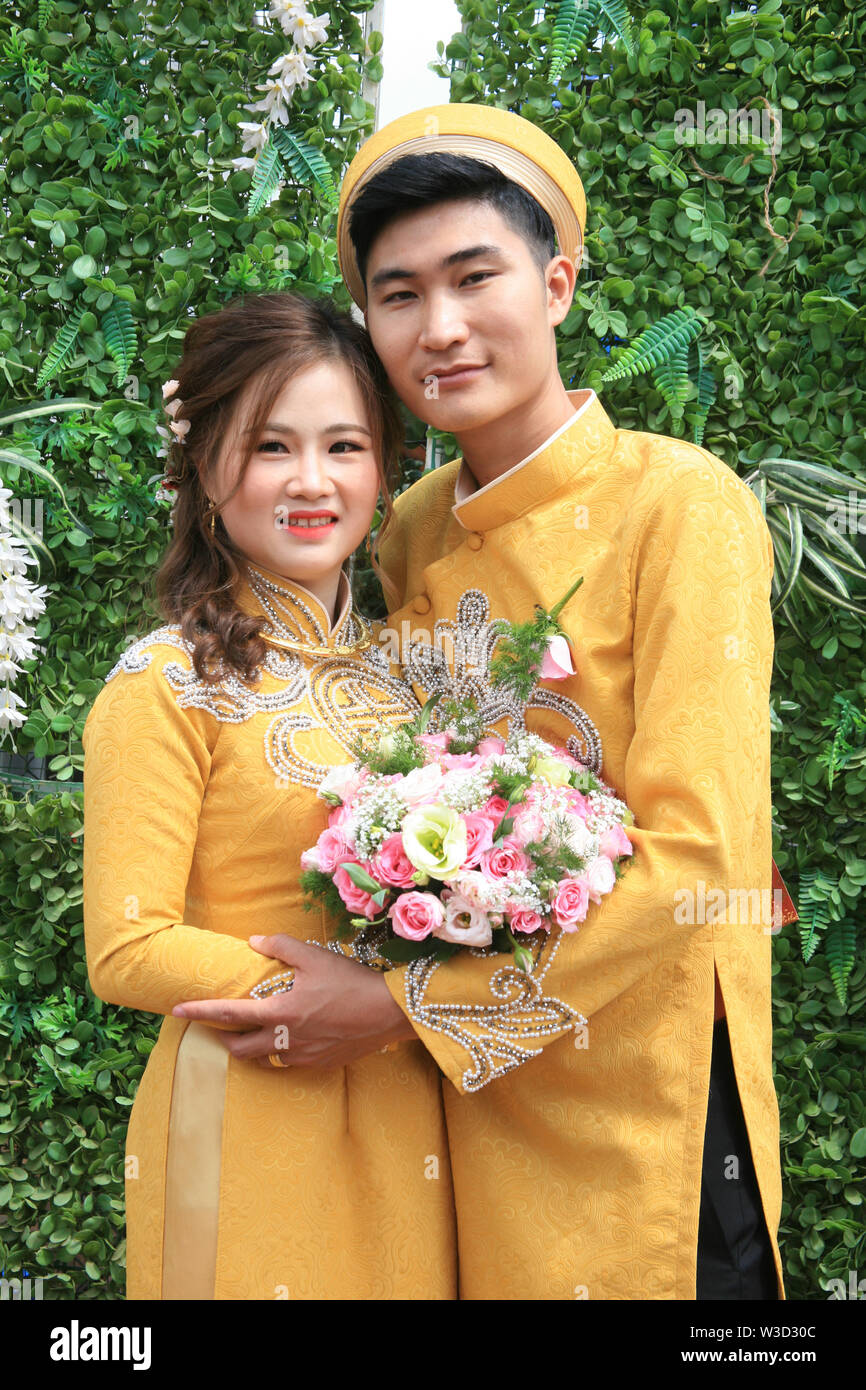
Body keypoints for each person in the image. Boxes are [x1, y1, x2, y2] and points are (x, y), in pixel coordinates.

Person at [176, 107, 789, 1301]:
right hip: (452, 1116)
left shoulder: (677, 505)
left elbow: (699, 855)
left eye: (474, 277)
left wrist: (405, 1001)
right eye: (397, 295)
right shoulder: (402, 530)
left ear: (554, 282)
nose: (439, 328)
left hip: (639, 1103)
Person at [81, 292, 458, 1300]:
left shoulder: (416, 679)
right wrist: (323, 997)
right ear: (207, 471)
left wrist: (394, 1007)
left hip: (406, 1111)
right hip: (244, 1097)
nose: (310, 481)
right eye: (269, 447)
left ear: (382, 471)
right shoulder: (162, 684)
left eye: (343, 446)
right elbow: (127, 944)